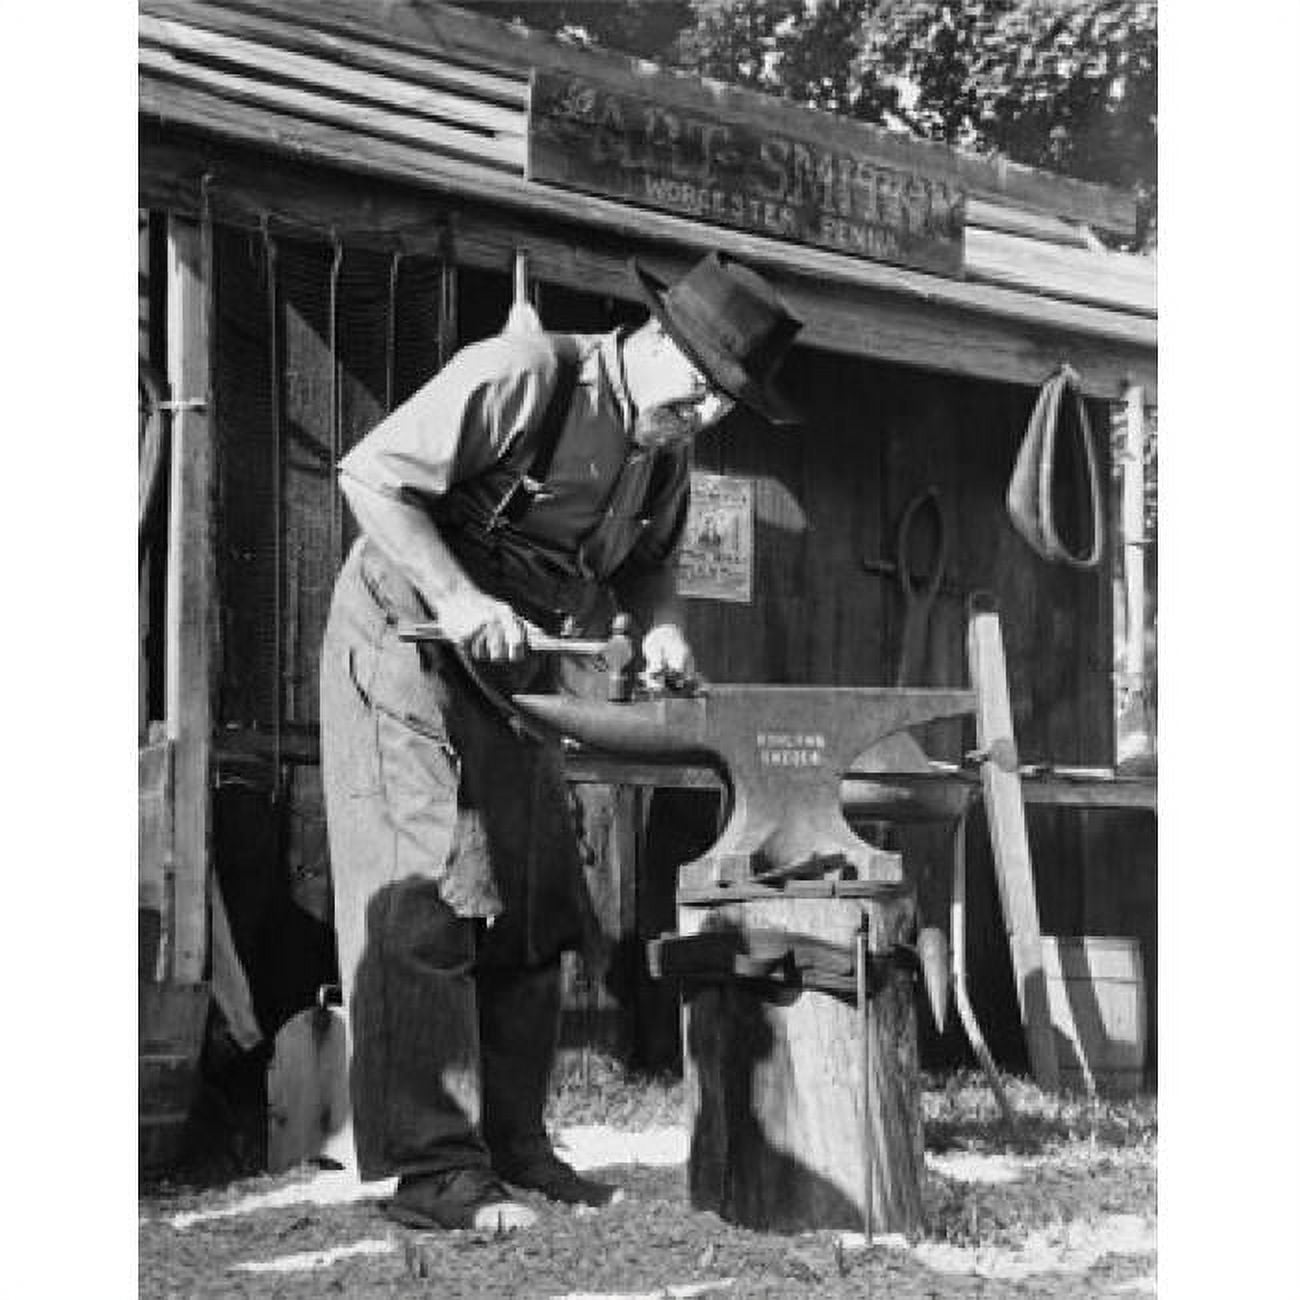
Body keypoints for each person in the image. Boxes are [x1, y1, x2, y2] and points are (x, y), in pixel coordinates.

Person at [319, 251, 802, 1232]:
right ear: (656, 338)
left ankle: (514, 1148)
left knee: (535, 897)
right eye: (702, 389)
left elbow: (652, 567)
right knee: (428, 888)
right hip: (406, 635)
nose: (705, 417)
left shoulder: (663, 442)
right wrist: (458, 598)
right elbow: (367, 473)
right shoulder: (528, 372)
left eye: (724, 405)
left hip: (518, 668)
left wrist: (665, 631)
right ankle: (435, 1169)